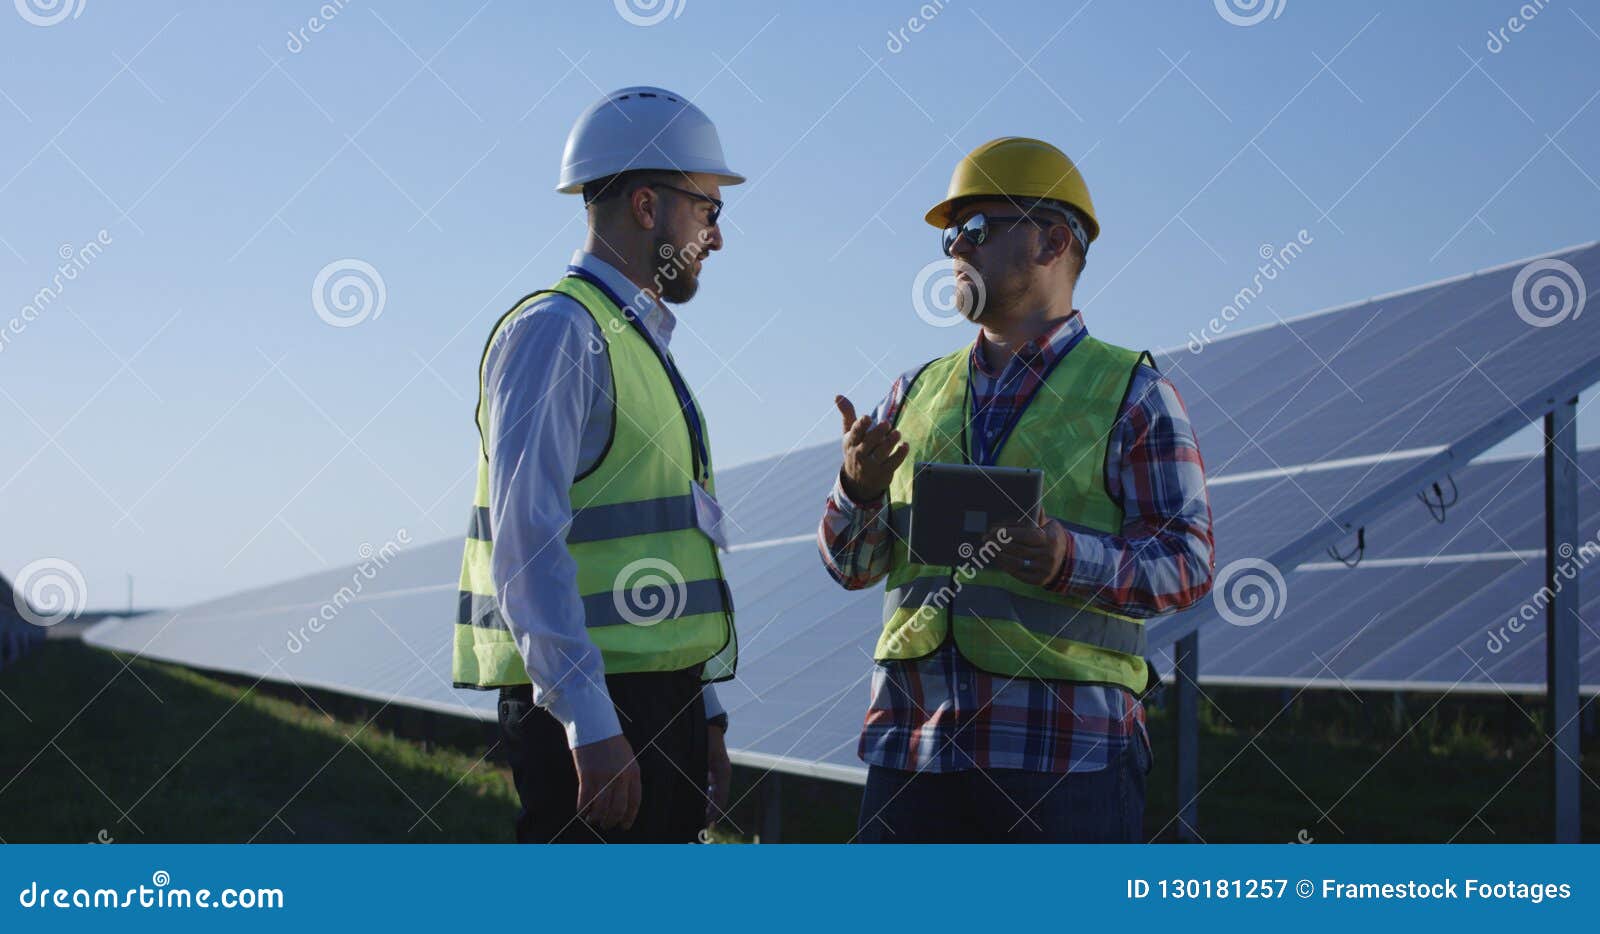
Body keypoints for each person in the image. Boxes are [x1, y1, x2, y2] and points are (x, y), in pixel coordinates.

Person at [819, 137, 1215, 842]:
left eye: (975, 230)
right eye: (949, 236)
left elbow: (1188, 564)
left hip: (1065, 763)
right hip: (912, 750)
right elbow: (851, 565)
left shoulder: (1133, 395)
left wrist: (1067, 557)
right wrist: (858, 491)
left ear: (1051, 240)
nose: (954, 253)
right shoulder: (913, 393)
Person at [452, 86, 742, 843]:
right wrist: (589, 720)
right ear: (648, 207)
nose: (717, 236)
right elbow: (528, 544)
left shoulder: (636, 344)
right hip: (598, 712)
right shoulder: (558, 333)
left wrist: (704, 710)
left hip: (657, 703)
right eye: (708, 210)